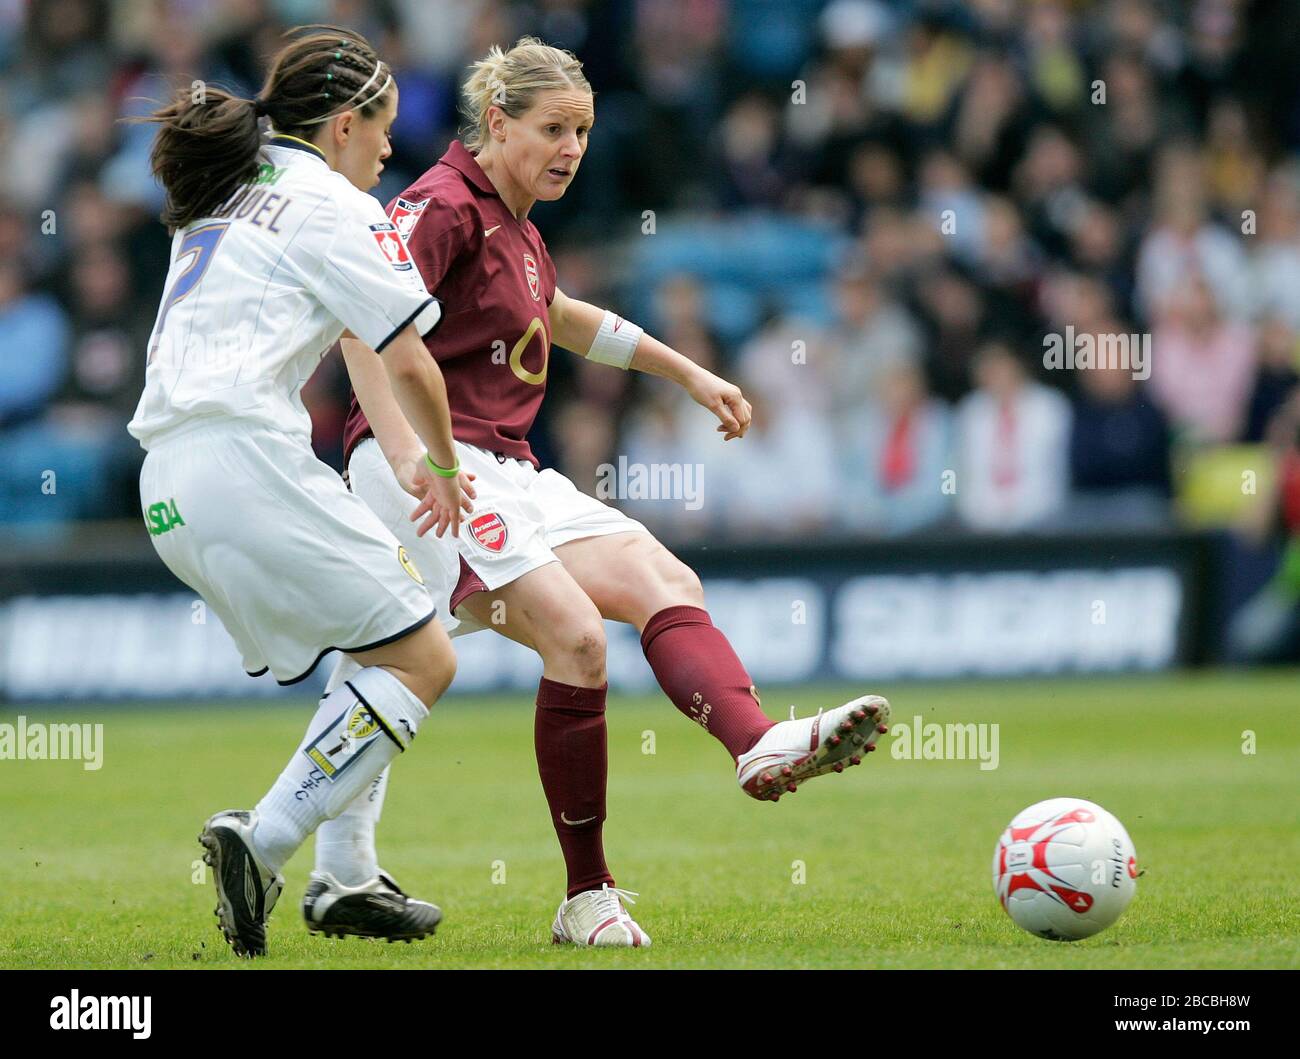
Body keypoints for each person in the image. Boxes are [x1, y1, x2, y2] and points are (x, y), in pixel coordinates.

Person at [331, 38, 890, 948]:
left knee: (663, 579)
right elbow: (361, 327)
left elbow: (562, 318)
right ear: (497, 121)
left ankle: (756, 741)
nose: (573, 149)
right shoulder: (440, 205)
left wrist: (688, 372)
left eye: (584, 132)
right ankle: (587, 892)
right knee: (577, 638)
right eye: (554, 129)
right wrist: (408, 457)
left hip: (504, 466)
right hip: (435, 468)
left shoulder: (516, 226)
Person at [127, 26, 475, 957]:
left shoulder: (226, 188)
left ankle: (347, 876)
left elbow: (354, 333)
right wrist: (444, 467)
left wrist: (398, 451)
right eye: (384, 128)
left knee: (379, 642)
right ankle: (267, 837)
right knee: (425, 658)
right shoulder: (338, 205)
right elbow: (413, 360)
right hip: (246, 461)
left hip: (166, 486)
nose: (390, 148)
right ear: (344, 124)